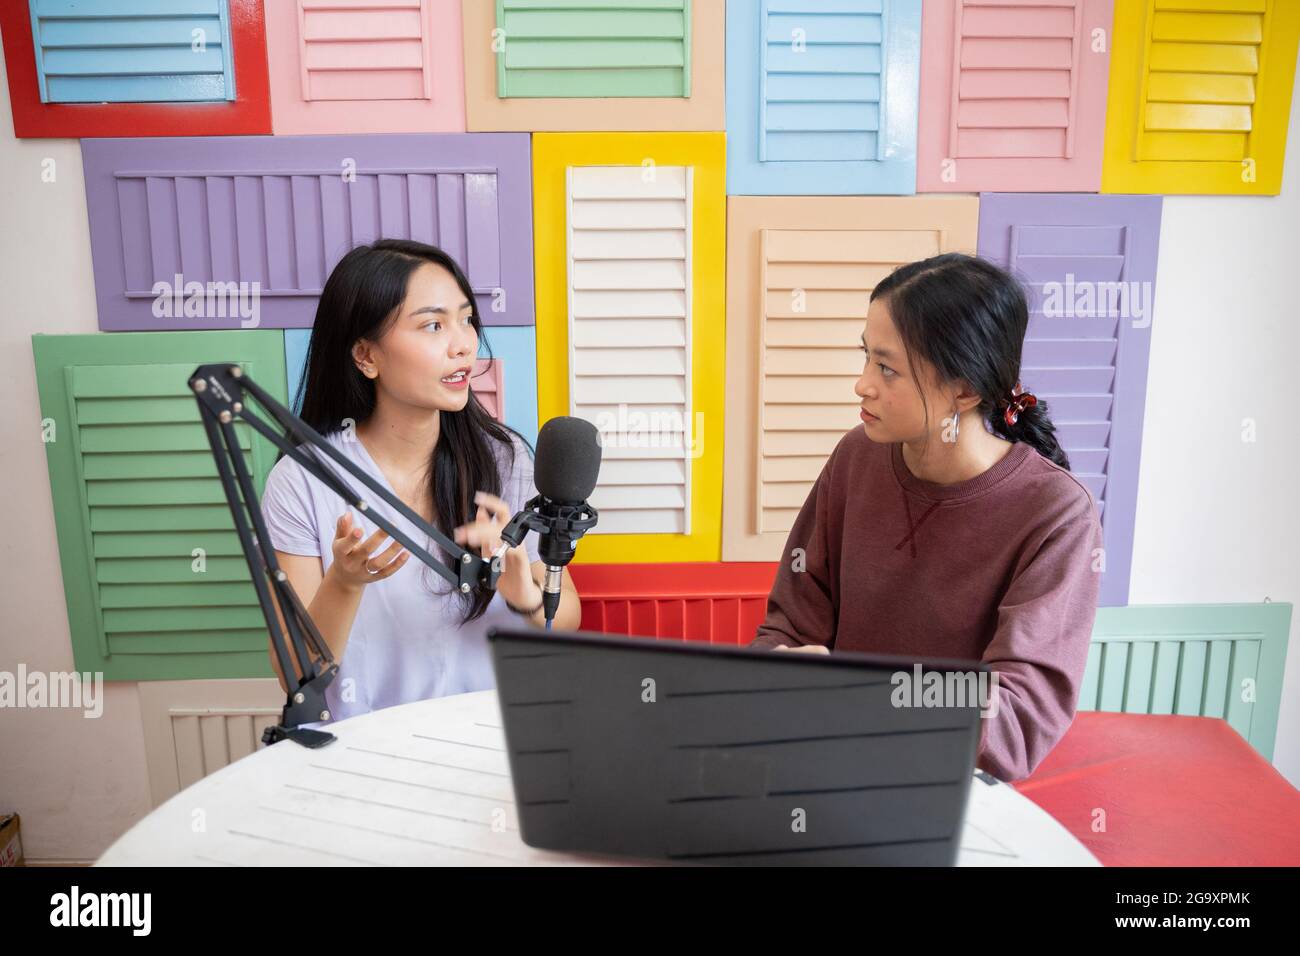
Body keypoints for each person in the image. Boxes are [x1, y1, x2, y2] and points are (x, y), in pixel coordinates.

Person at [751, 253, 1103, 781]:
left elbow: (1016, 722)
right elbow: (791, 624)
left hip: (951, 789)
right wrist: (774, 668)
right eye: (866, 356)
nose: (862, 384)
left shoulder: (1057, 514)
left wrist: (864, 696)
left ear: (965, 390)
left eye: (887, 368)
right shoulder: (855, 458)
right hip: (826, 764)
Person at [260, 239, 580, 723]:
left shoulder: (503, 458)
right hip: (367, 753)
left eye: (466, 319)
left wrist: (527, 599)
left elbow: (568, 617)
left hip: (491, 741)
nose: (464, 344)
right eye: (433, 325)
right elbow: (296, 674)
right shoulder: (302, 481)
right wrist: (344, 583)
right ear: (366, 356)